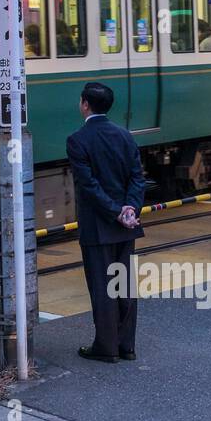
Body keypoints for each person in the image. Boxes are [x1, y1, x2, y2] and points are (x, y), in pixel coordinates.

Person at [65, 82, 146, 364]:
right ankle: (127, 346)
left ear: (85, 105)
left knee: (102, 287)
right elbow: (137, 177)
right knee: (124, 285)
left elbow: (89, 185)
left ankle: (106, 347)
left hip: (99, 227)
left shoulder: (78, 140)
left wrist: (114, 212)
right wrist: (130, 209)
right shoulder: (125, 136)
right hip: (127, 225)